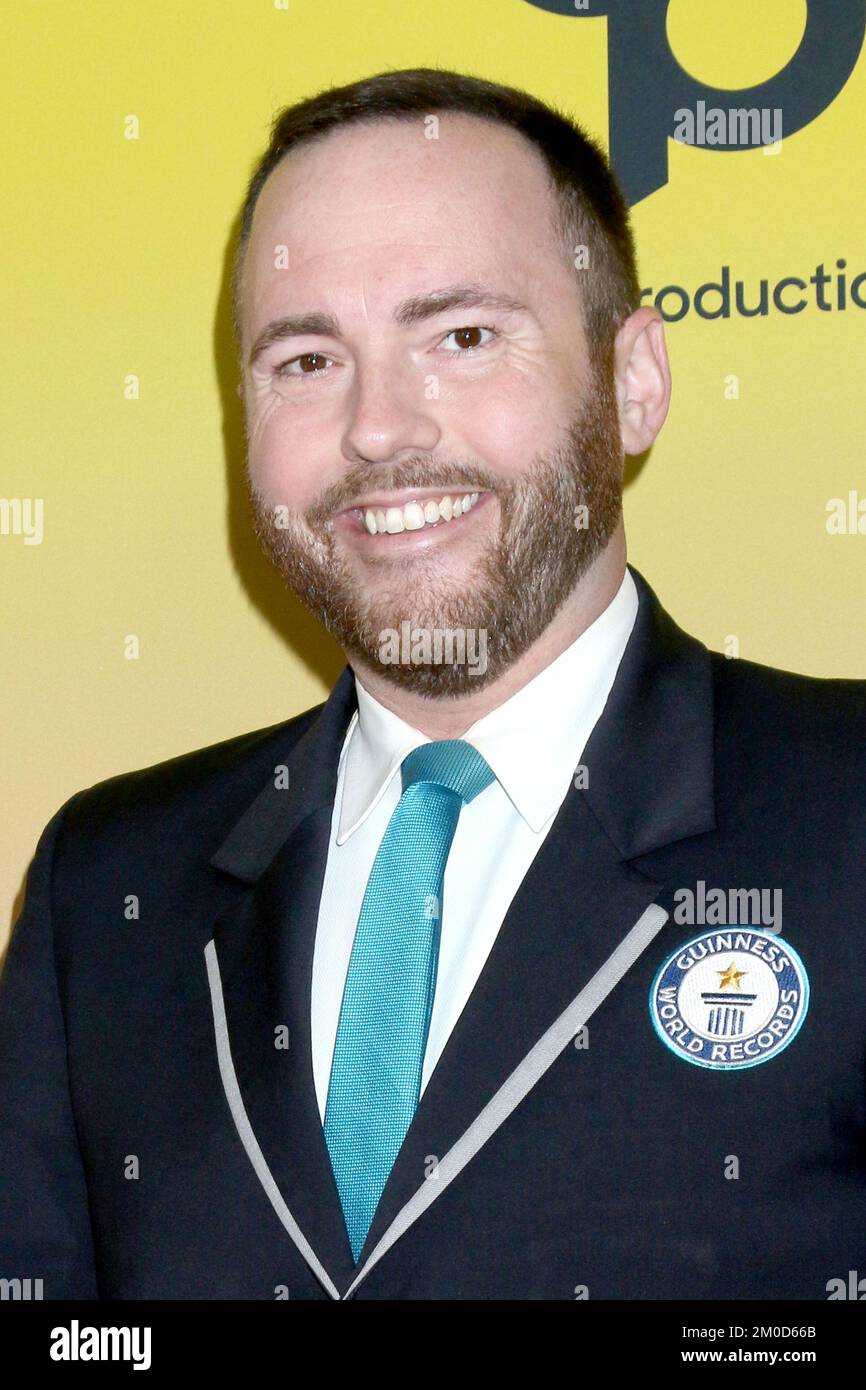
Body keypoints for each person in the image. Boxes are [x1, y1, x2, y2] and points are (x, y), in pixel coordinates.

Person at [1, 67, 864, 1302]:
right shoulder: (109, 882)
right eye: (305, 359)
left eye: (459, 337)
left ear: (632, 382)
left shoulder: (840, 810)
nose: (376, 428)